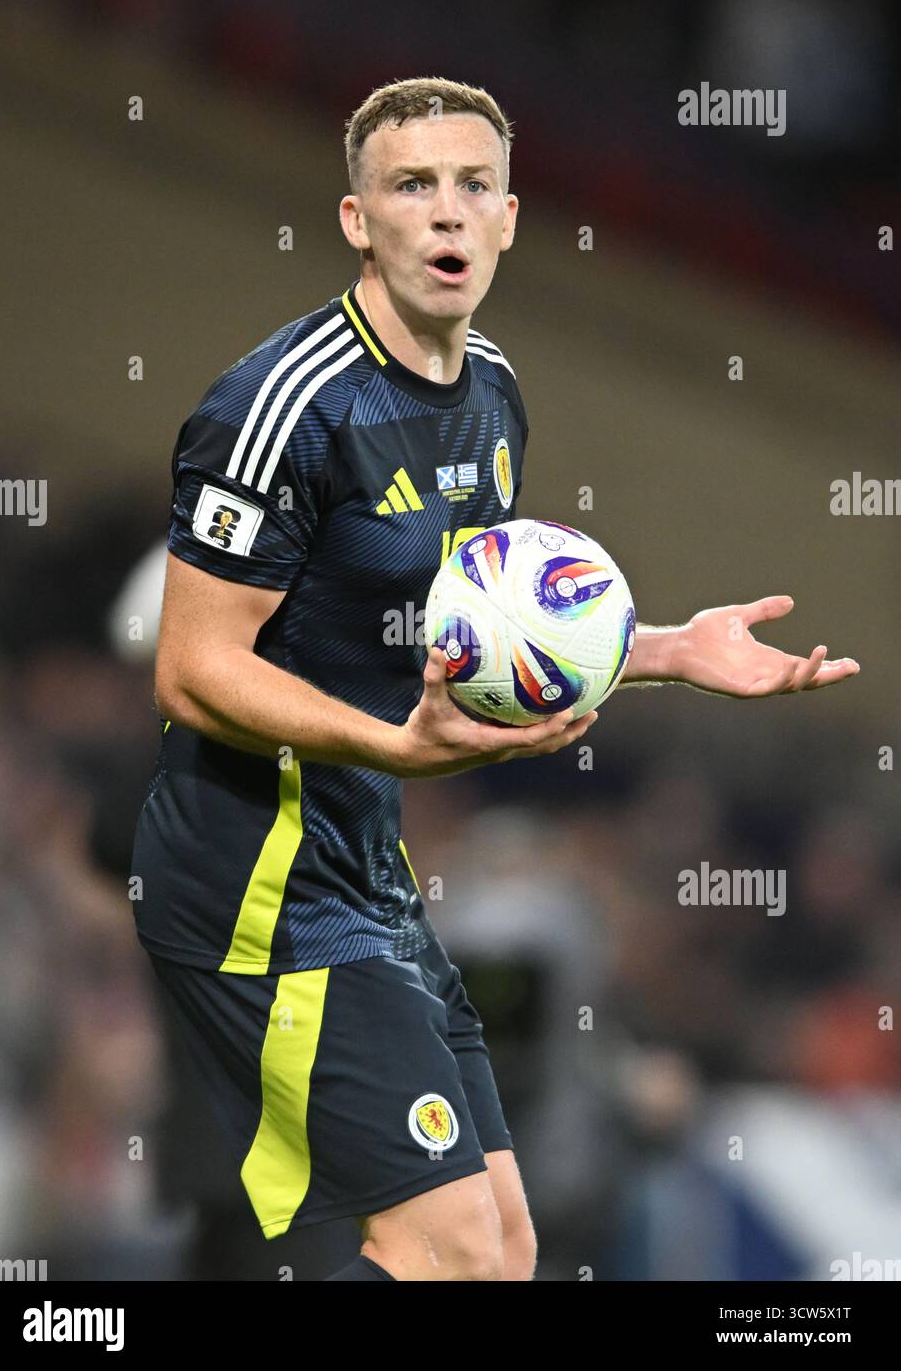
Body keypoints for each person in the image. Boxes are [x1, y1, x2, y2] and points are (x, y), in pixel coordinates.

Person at [131, 77, 859, 1282]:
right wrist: (402, 753)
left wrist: (664, 649)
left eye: (473, 185)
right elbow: (190, 671)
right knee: (454, 1253)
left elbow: (489, 645)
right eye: (412, 186)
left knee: (509, 1249)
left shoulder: (494, 397)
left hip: (366, 873)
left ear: (512, 217)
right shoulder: (283, 407)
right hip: (251, 888)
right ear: (358, 219)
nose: (447, 214)